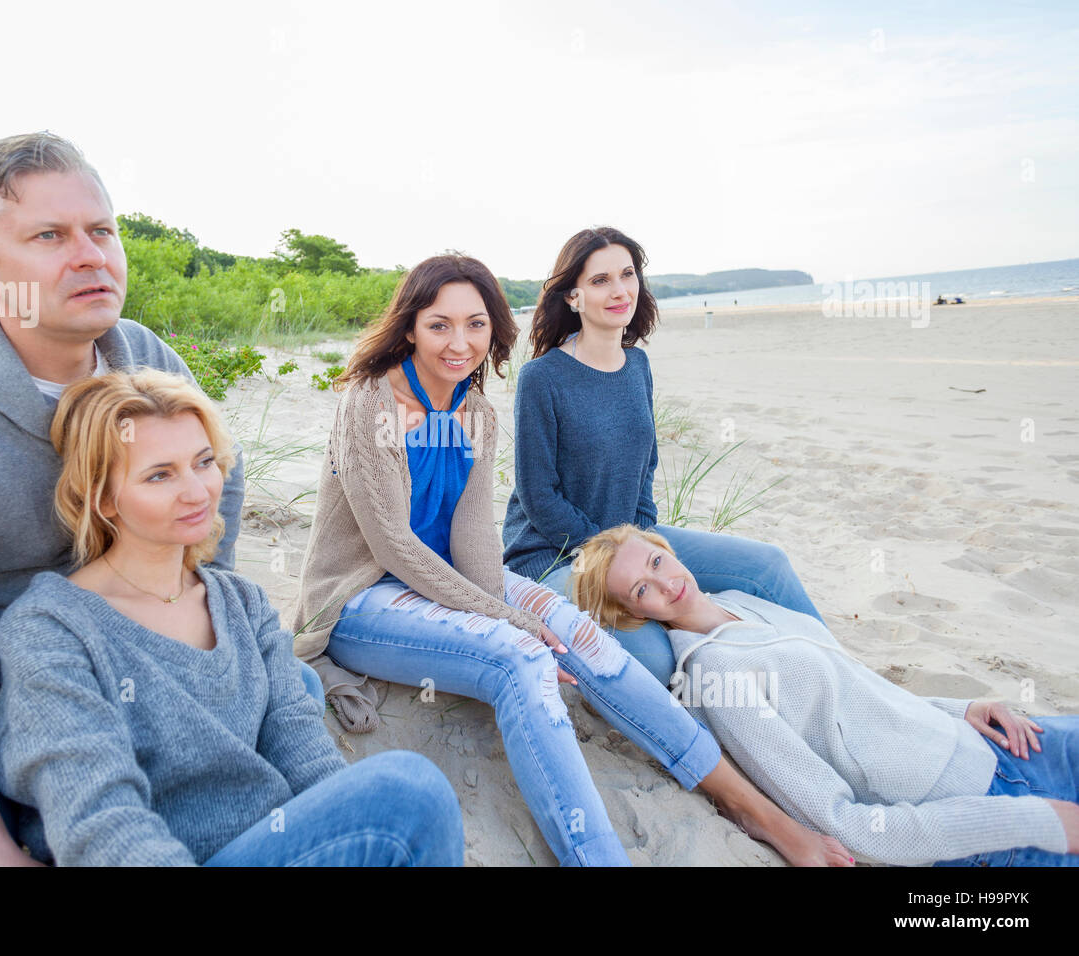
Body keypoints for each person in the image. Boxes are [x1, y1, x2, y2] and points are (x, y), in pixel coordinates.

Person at [0, 132, 319, 867]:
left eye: (102, 230)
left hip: (134, 651)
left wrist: (193, 603)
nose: (91, 255)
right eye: (49, 235)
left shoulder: (144, 355)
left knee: (293, 692)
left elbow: (221, 472)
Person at [292, 254, 854, 867]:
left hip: (448, 584)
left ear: (495, 329)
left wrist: (508, 606)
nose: (460, 343)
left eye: (476, 324)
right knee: (521, 658)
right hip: (363, 595)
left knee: (584, 637)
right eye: (439, 325)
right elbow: (392, 545)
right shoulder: (369, 406)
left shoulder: (477, 415)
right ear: (409, 328)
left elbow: (477, 544)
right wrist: (504, 619)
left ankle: (752, 808)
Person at [0, 369, 462, 866]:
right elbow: (100, 819)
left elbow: (305, 757)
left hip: (273, 848)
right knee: (411, 786)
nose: (196, 491)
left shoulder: (242, 604)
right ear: (103, 498)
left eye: (203, 462)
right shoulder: (51, 628)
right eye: (159, 474)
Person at [569, 524, 1079, 866]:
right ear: (635, 617)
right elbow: (845, 824)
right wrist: (1027, 820)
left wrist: (961, 708)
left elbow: (861, 693)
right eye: (640, 590)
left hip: (995, 741)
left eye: (656, 562)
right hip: (982, 811)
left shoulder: (743, 601)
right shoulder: (716, 675)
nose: (663, 584)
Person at [502, 226, 821, 687]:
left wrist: (644, 541)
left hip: (635, 540)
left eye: (627, 274)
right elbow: (538, 494)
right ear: (573, 297)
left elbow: (645, 465)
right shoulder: (542, 378)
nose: (619, 290)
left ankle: (840, 673)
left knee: (767, 565)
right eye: (600, 281)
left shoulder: (637, 366)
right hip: (556, 556)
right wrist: (614, 558)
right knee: (654, 660)